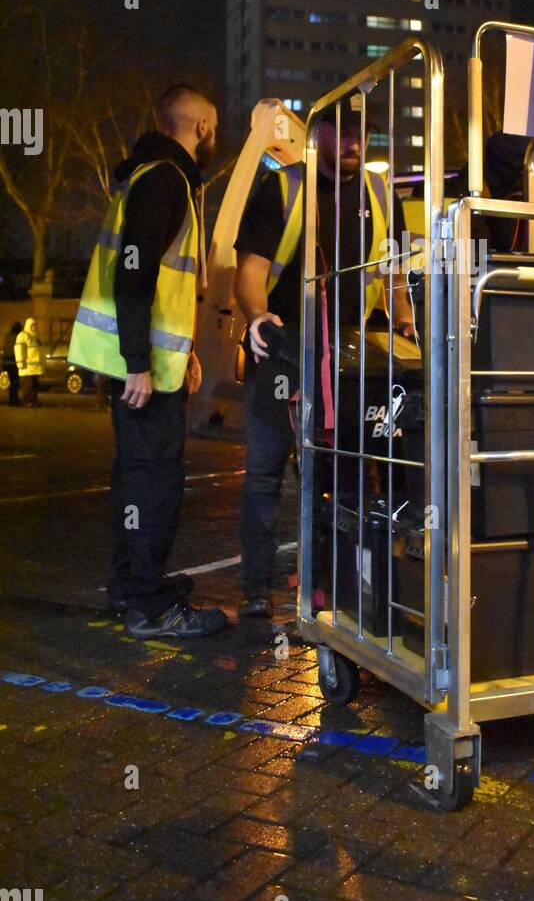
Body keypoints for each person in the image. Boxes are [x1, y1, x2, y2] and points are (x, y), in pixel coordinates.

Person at [233, 99, 416, 618]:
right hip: (284, 349)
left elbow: (396, 269)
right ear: (321, 133)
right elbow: (249, 272)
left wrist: (403, 316)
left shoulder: (382, 192)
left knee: (347, 473)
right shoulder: (286, 187)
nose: (357, 143)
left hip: (351, 356)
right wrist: (256, 315)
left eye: (365, 133)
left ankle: (331, 581)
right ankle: (254, 589)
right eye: (346, 132)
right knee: (267, 471)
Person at [68, 84, 227, 639]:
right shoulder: (166, 180)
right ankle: (150, 606)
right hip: (143, 370)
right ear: (202, 128)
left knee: (135, 480)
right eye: (214, 128)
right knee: (155, 483)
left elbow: (158, 283)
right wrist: (140, 360)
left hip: (151, 363)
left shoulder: (148, 175)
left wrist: (181, 354)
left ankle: (132, 585)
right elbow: (133, 276)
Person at [14, 318, 43, 405]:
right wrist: (20, 363)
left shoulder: (35, 337)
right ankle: (26, 401)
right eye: (33, 325)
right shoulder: (23, 336)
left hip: (35, 368)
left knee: (34, 385)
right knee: (27, 386)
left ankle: (33, 400)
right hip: (26, 367)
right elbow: (19, 349)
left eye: (35, 325)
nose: (34, 327)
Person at [3, 319, 23, 405]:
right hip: (14, 361)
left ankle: (11, 399)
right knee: (15, 382)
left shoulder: (8, 336)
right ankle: (14, 400)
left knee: (11, 382)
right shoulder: (18, 337)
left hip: (7, 362)